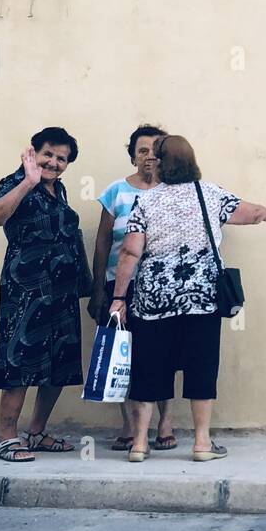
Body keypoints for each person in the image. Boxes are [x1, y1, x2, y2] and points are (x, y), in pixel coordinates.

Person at [108, 134, 266, 463]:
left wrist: (118, 297)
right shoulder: (210, 194)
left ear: (160, 162)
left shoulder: (147, 201)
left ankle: (139, 444)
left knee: (149, 368)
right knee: (201, 367)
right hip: (201, 298)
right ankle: (201, 444)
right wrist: (264, 212)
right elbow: (248, 213)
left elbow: (129, 252)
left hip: (154, 301)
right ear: (192, 160)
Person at [0, 127, 91, 463]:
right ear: (34, 152)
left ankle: (37, 433)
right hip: (26, 292)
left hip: (61, 293)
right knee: (19, 363)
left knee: (59, 365)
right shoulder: (16, 182)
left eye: (62, 158)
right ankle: (5, 437)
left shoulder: (59, 190)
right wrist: (28, 181)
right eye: (49, 154)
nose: (54, 162)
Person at [88, 124, 175, 452]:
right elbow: (102, 240)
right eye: (142, 150)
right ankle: (127, 424)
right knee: (119, 354)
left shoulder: (174, 190)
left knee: (161, 354)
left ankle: (165, 422)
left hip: (161, 285)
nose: (149, 156)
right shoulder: (116, 191)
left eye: (155, 149)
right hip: (119, 283)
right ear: (133, 156)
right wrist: (99, 287)